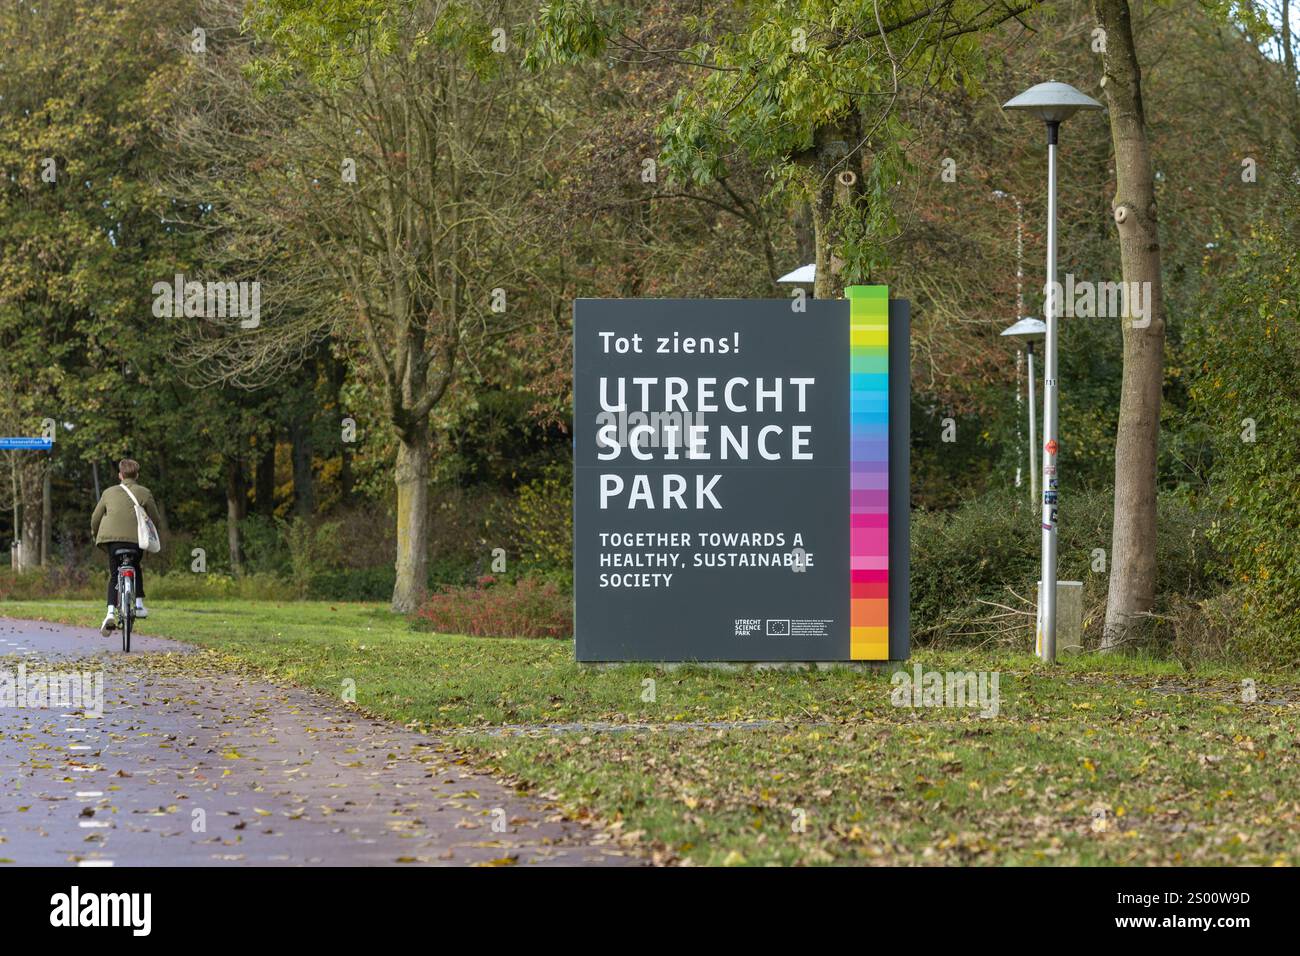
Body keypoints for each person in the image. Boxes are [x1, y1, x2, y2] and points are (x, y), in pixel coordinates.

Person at [91, 458, 163, 636]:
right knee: (136, 566)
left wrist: (95, 533)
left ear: (120, 475)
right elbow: (156, 519)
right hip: (136, 540)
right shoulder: (144, 492)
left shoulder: (108, 492)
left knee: (115, 575)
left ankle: (109, 613)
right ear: (137, 475)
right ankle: (138, 604)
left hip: (112, 541)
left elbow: (95, 518)